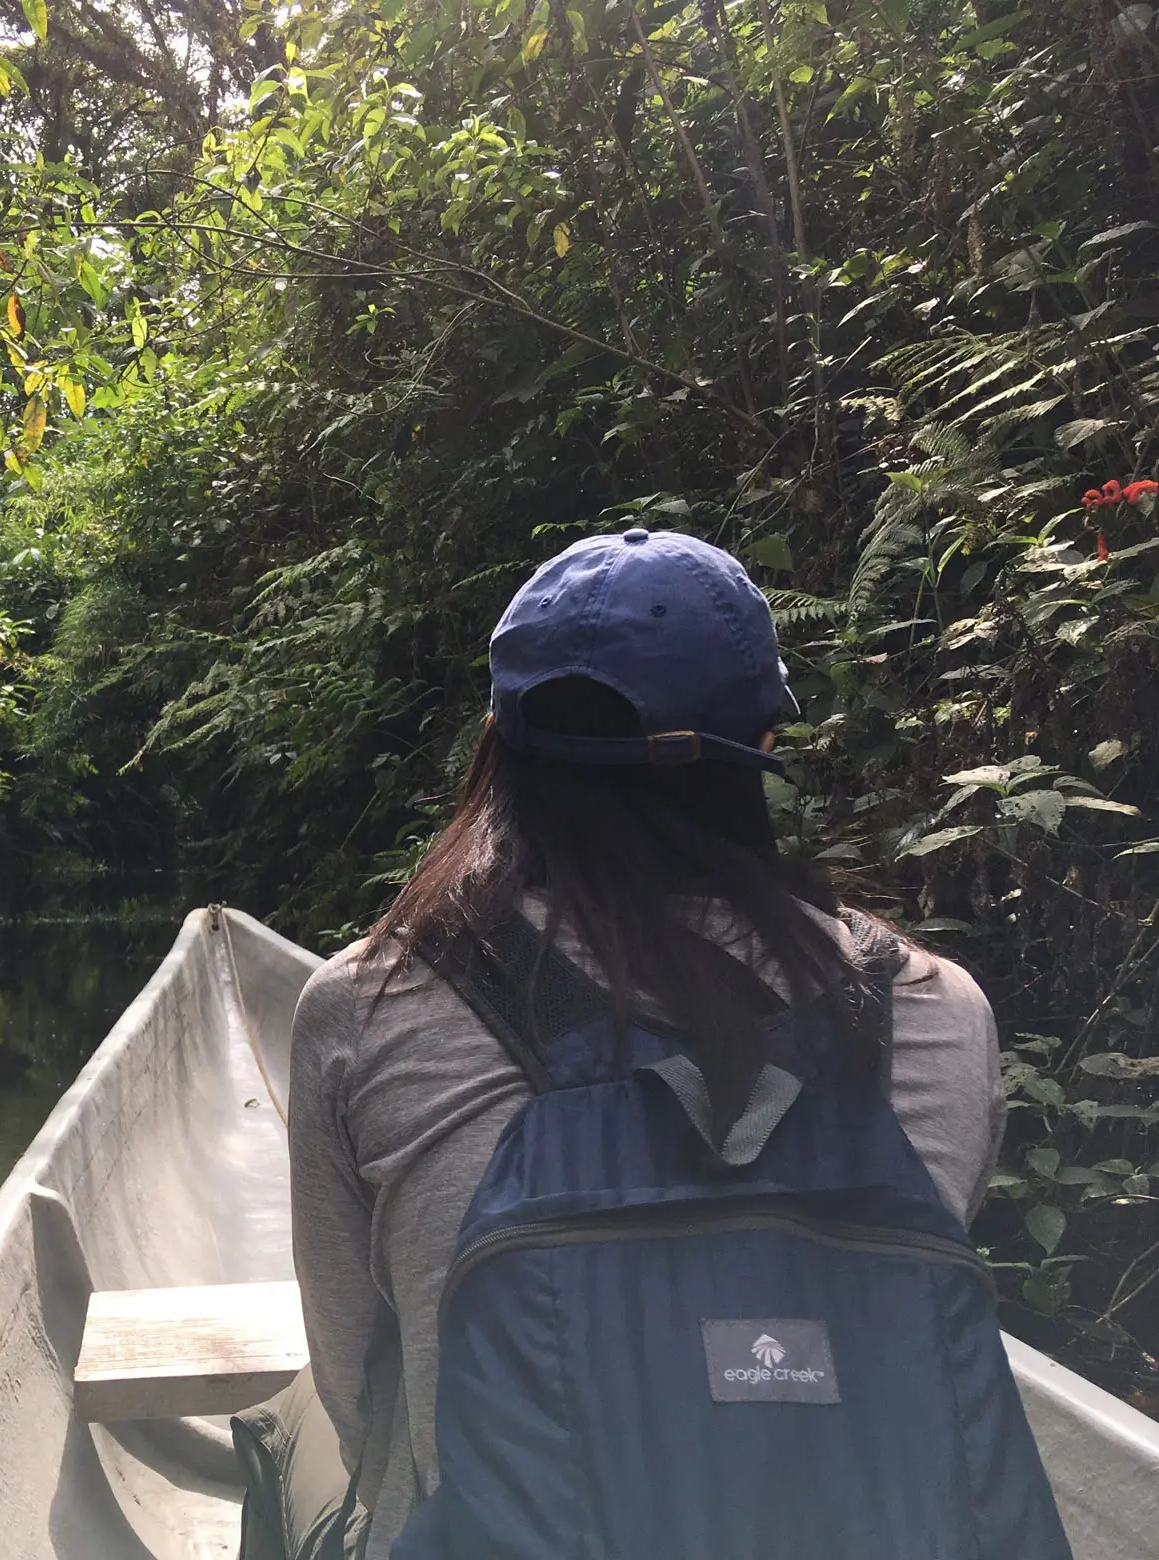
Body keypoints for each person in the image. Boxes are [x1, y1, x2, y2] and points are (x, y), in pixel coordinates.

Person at [258, 527, 1062, 1558]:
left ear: (499, 744)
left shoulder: (367, 1005)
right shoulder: (936, 1008)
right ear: (761, 753)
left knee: (301, 1444)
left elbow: (358, 1389)